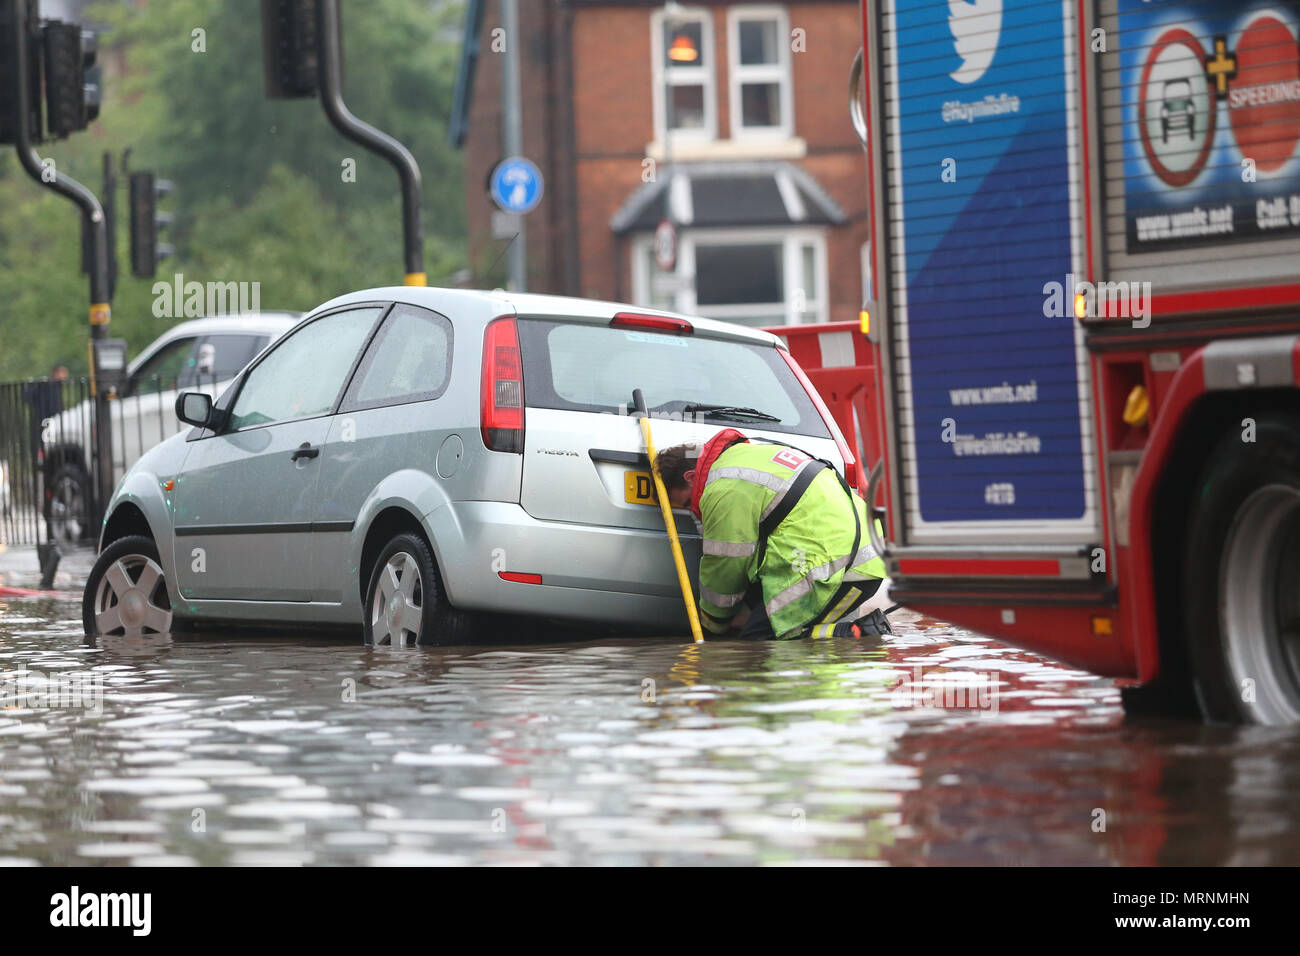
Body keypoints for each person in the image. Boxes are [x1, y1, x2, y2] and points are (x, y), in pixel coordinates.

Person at [655, 427, 893, 640]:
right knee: (773, 629)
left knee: (761, 641)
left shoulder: (722, 488)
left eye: (687, 503)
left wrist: (713, 624)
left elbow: (726, 567)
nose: (694, 511)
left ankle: (863, 633)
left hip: (845, 566)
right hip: (858, 554)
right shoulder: (741, 457)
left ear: (690, 477)